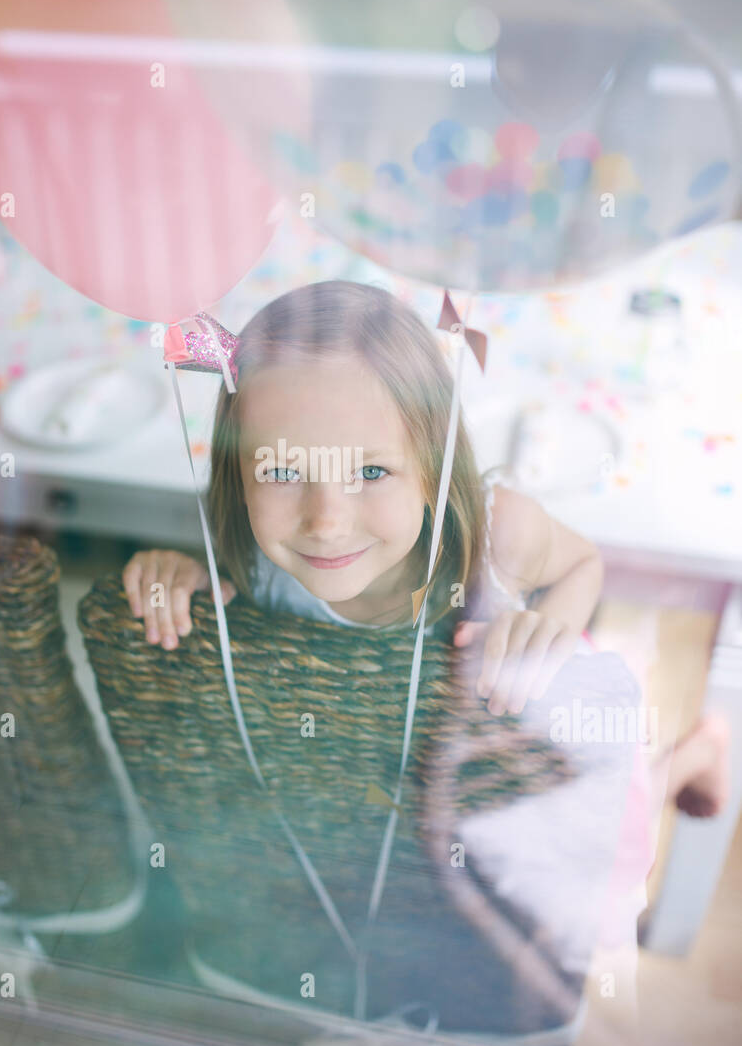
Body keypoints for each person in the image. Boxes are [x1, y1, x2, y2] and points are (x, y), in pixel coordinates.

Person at [122, 278, 728, 824]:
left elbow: (582, 563)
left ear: (433, 466)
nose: (326, 522)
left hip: (495, 771)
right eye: (282, 471)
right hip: (382, 793)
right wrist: (179, 577)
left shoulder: (501, 534)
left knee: (611, 813)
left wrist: (552, 624)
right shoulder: (253, 551)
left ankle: (699, 750)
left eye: (372, 472)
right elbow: (221, 599)